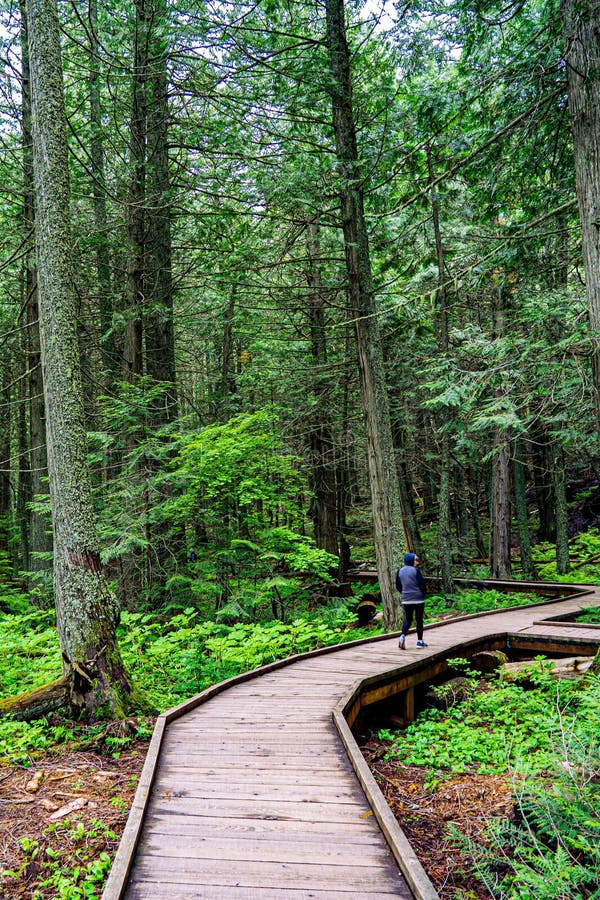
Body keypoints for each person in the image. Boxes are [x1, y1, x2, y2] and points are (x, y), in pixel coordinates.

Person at [396, 552, 428, 649]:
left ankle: (402, 636)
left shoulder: (400, 571)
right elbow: (422, 584)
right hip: (418, 599)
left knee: (408, 619)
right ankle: (419, 642)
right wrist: (424, 593)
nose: (416, 562)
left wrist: (404, 592)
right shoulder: (416, 571)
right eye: (415, 560)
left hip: (406, 599)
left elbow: (398, 585)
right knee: (419, 620)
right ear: (411, 560)